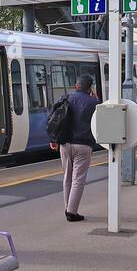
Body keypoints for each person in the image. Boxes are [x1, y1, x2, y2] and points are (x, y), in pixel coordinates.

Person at [49, 75, 100, 222]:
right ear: (90, 88)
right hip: (84, 145)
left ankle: (68, 208)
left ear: (76, 86)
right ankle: (71, 212)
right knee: (78, 179)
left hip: (65, 144)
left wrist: (54, 139)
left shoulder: (66, 99)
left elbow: (55, 119)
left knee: (67, 177)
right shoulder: (94, 103)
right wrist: (96, 99)